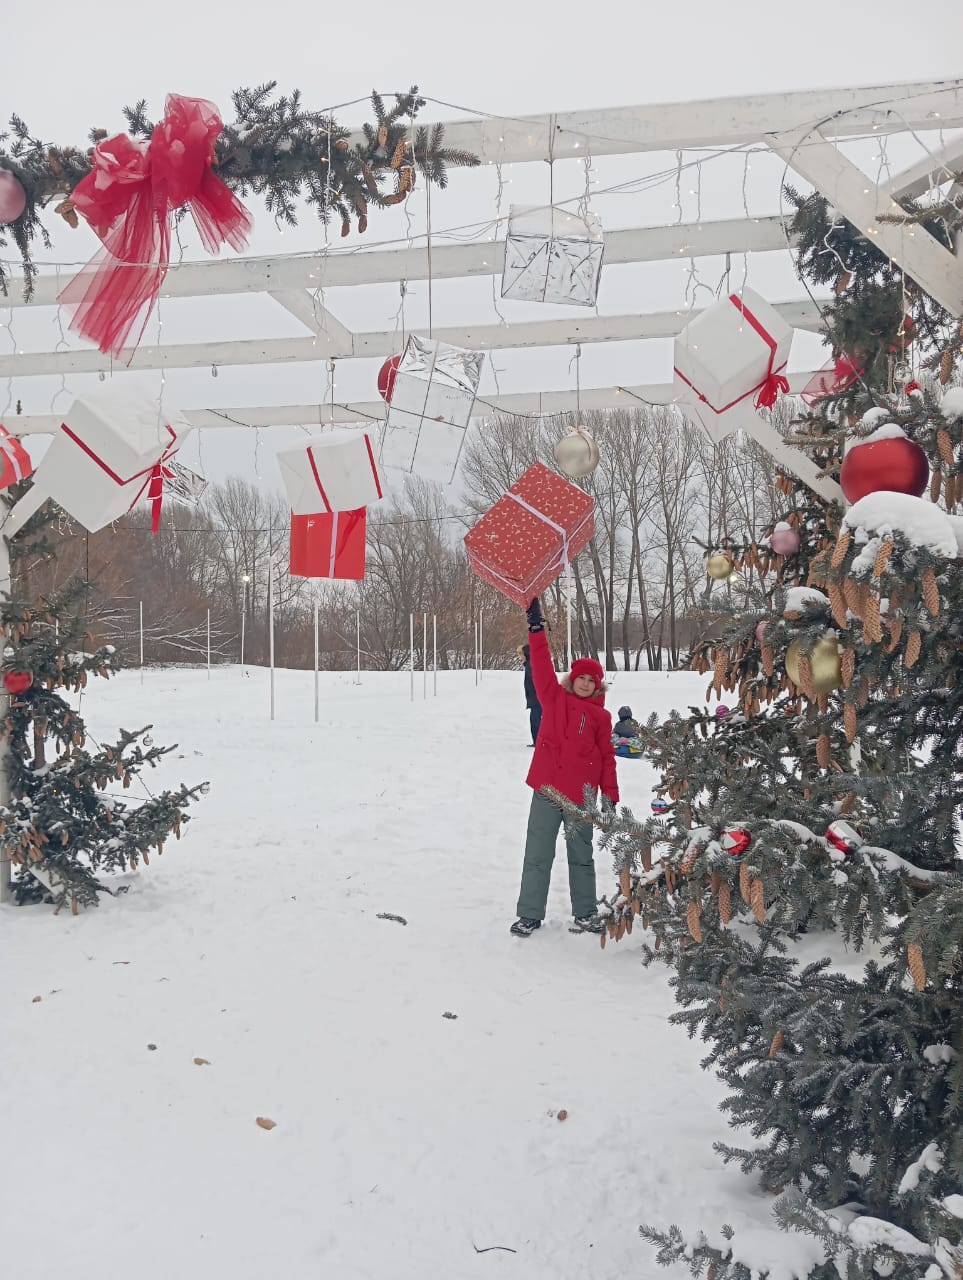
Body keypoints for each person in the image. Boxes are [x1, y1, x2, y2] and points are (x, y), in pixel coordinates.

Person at [510, 597, 619, 938]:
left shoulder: (601, 717)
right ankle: (530, 914)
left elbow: (606, 757)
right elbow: (541, 664)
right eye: (581, 677)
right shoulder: (553, 698)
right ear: (572, 679)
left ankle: (585, 912)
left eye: (592, 679)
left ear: (598, 685)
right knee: (537, 854)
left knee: (581, 857)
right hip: (546, 789)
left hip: (581, 798)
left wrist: (610, 795)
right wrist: (536, 628)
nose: (586, 683)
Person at [517, 642, 542, 745]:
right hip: (536, 699)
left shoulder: (531, 665)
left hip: (537, 699)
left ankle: (538, 742)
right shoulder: (531, 664)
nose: (519, 657)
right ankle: (538, 741)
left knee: (536, 721)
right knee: (536, 720)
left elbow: (535, 681)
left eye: (520, 654)